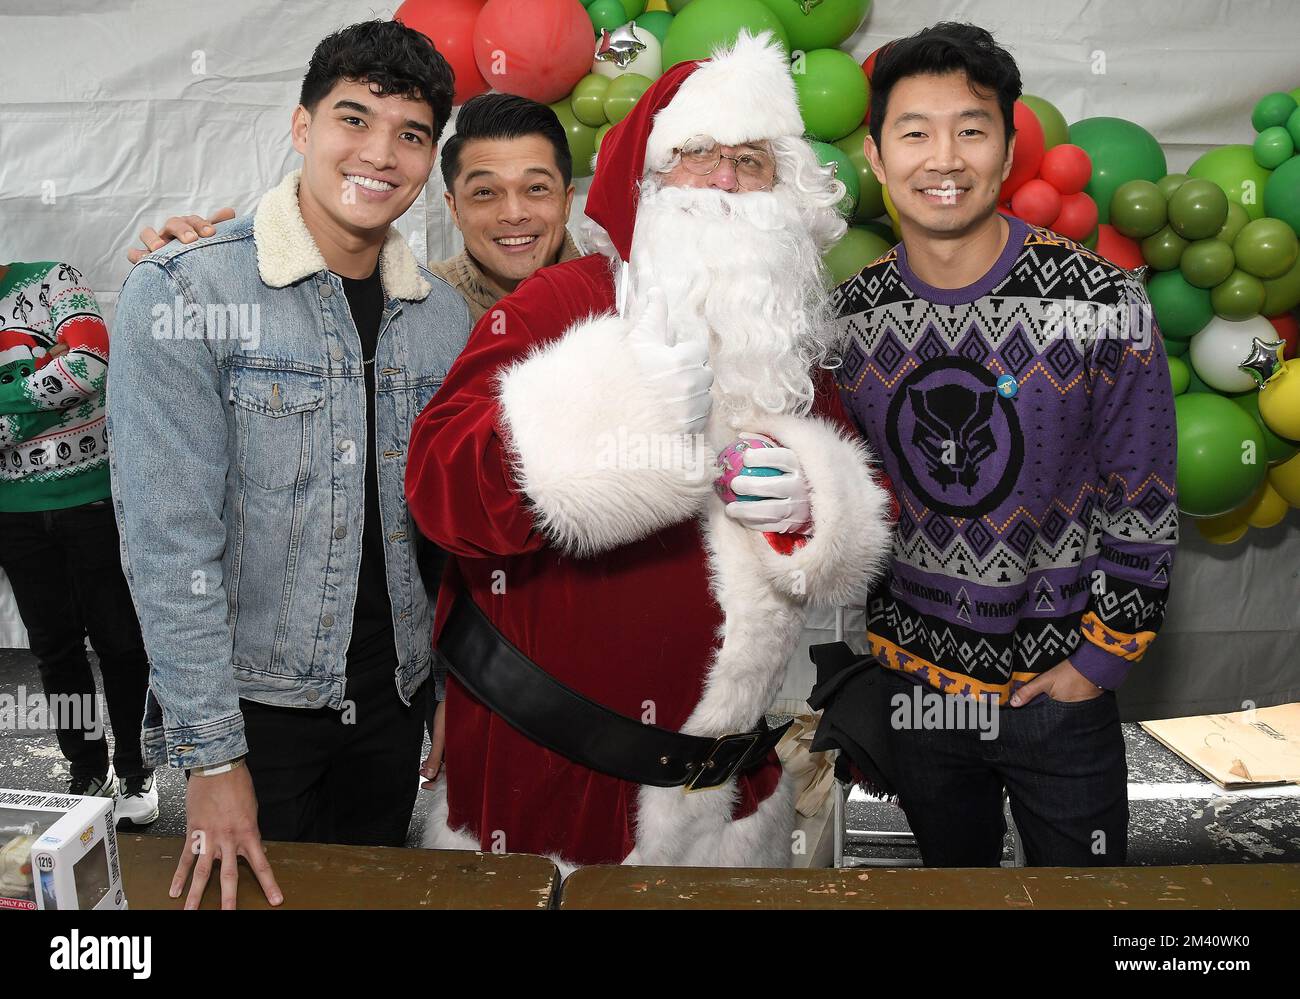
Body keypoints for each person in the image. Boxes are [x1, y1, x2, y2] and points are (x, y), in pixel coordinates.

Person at [406, 31, 893, 872]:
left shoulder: (794, 349)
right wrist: (613, 406)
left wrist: (817, 504)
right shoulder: (565, 301)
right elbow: (440, 486)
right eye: (698, 156)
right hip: (545, 777)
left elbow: (858, 523)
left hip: (728, 800)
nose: (727, 182)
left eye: (753, 162)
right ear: (652, 183)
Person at [108, 19, 469, 909]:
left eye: (411, 134)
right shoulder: (184, 290)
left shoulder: (442, 319)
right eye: (354, 119)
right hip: (252, 719)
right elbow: (166, 547)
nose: (379, 153)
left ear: (428, 161)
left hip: (390, 708)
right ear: (302, 127)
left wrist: (444, 685)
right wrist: (213, 755)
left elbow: (438, 536)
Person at [829, 22, 1178, 866]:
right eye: (914, 132)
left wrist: (1099, 661)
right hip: (918, 690)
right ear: (876, 156)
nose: (943, 157)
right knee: (956, 888)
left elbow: (1147, 494)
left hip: (1057, 689)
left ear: (1008, 149)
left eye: (971, 129)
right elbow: (850, 490)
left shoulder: (1102, 304)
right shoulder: (849, 318)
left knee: (1086, 894)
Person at [0, 260, 156, 825]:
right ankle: (86, 768)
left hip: (94, 500)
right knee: (55, 648)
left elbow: (89, 366)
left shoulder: (52, 279)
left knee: (120, 640)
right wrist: (44, 379)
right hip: (12, 515)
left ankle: (137, 767)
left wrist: (8, 402)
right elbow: (69, 376)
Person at [430, 92, 585, 322]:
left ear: (566, 202)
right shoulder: (420, 309)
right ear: (454, 209)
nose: (514, 214)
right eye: (485, 192)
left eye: (536, 188)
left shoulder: (619, 298)